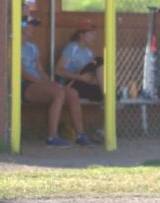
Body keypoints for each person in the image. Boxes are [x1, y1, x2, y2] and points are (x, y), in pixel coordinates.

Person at [21, 17, 92, 147]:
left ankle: (81, 135)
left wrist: (50, 83)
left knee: (72, 93)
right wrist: (42, 84)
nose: (34, 29)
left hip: (38, 84)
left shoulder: (33, 46)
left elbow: (40, 70)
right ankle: (52, 137)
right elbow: (21, 72)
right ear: (21, 26)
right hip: (24, 85)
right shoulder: (13, 46)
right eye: (31, 25)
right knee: (58, 92)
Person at [55, 20, 104, 106]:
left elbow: (89, 74)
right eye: (91, 34)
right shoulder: (72, 48)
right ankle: (106, 94)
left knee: (99, 95)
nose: (94, 37)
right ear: (81, 35)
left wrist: (92, 80)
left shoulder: (89, 52)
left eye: (95, 35)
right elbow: (58, 70)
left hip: (82, 84)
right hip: (69, 83)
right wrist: (80, 77)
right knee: (99, 60)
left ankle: (105, 94)